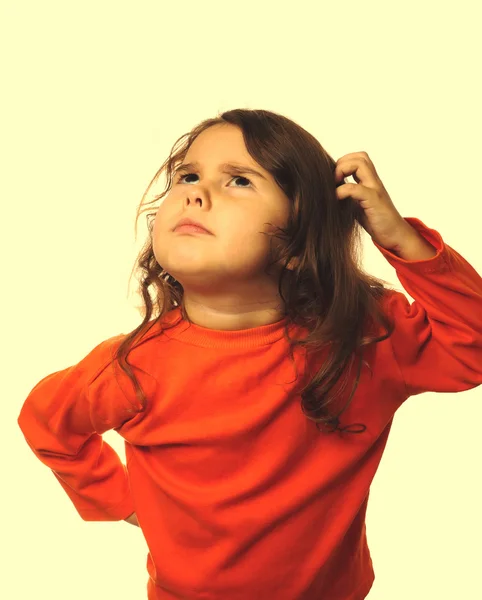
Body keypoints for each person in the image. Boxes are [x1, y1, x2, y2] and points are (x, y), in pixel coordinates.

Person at [17, 108, 482, 600]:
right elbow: (47, 423)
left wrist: (397, 237)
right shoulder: (133, 367)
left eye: (238, 180)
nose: (195, 192)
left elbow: (471, 345)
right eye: (188, 175)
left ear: (299, 242)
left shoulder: (363, 336)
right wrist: (121, 501)